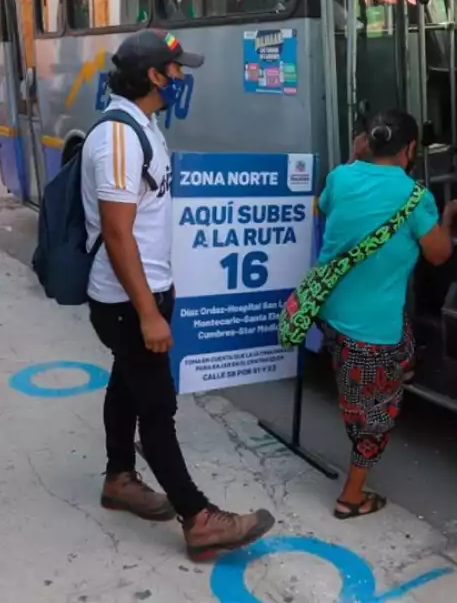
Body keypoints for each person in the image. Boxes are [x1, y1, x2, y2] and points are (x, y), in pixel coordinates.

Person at [83, 29, 274, 559]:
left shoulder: (142, 126)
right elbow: (117, 233)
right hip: (127, 303)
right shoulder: (120, 138)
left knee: (126, 386)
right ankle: (199, 518)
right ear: (153, 76)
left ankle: (119, 478)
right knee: (157, 407)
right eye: (175, 70)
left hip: (141, 295)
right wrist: (149, 312)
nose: (180, 77)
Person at [315, 108, 457, 519]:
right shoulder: (415, 197)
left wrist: (353, 157)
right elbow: (439, 254)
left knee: (404, 341)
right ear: (410, 149)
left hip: (330, 311)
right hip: (370, 332)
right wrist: (448, 218)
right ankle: (351, 498)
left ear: (366, 142)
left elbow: (324, 206)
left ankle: (402, 367)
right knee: (372, 419)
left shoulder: (340, 178)